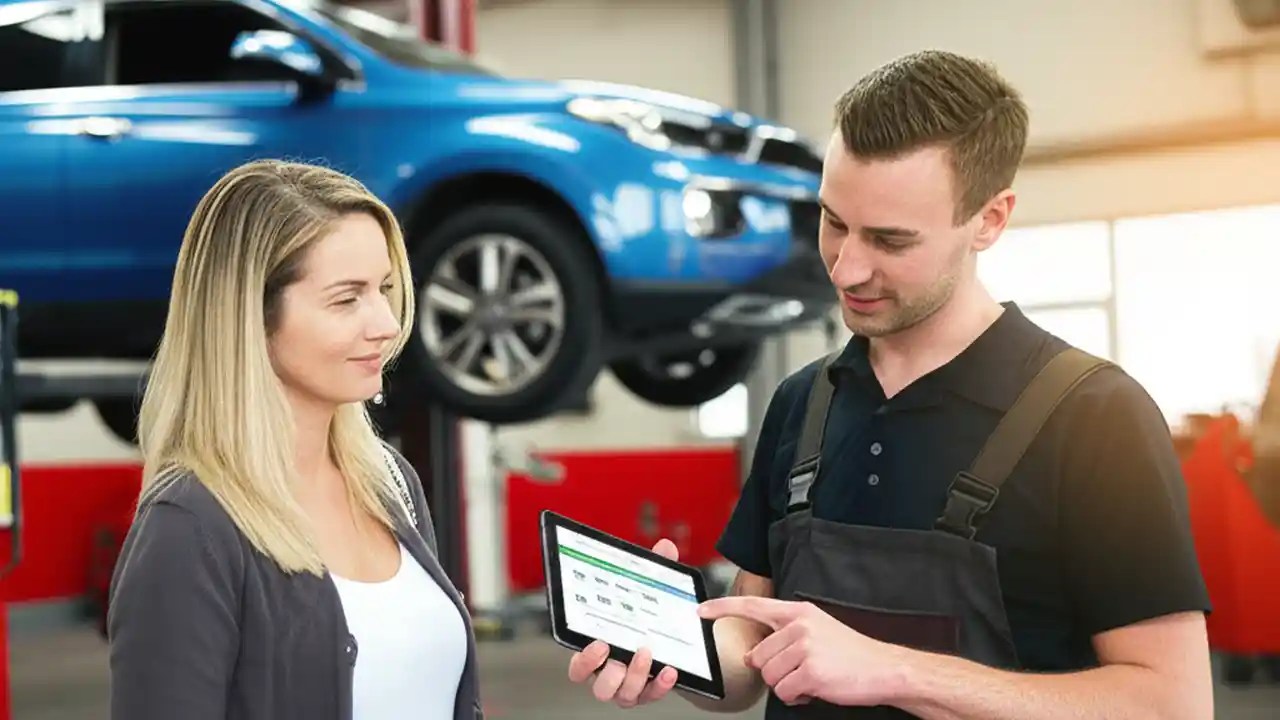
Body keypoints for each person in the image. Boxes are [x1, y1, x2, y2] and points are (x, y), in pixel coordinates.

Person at [567, 50, 1214, 719]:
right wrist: (678, 652)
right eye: (834, 222)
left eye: (890, 241)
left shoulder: (1095, 416)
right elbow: (752, 644)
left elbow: (1172, 704)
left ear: (989, 220)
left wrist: (896, 671)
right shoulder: (804, 403)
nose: (846, 270)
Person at [107, 159, 484, 720]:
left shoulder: (390, 483)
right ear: (251, 318)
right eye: (346, 298)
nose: (384, 322)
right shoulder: (191, 527)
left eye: (382, 289)